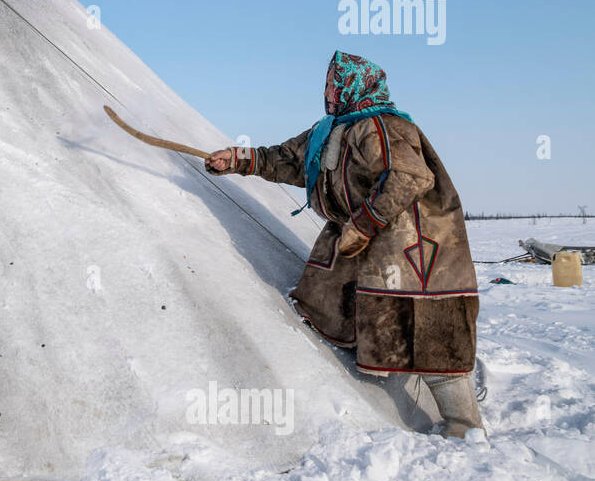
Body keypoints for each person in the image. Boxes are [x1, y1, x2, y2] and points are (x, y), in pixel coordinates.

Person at [205, 50, 483, 437]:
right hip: (356, 236)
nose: (329, 90)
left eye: (336, 83)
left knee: (429, 332)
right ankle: (356, 395)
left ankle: (464, 425)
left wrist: (366, 222)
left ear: (357, 85)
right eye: (328, 83)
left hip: (410, 244)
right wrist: (237, 158)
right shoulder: (331, 130)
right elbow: (288, 160)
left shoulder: (384, 126)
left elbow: (408, 177)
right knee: (325, 299)